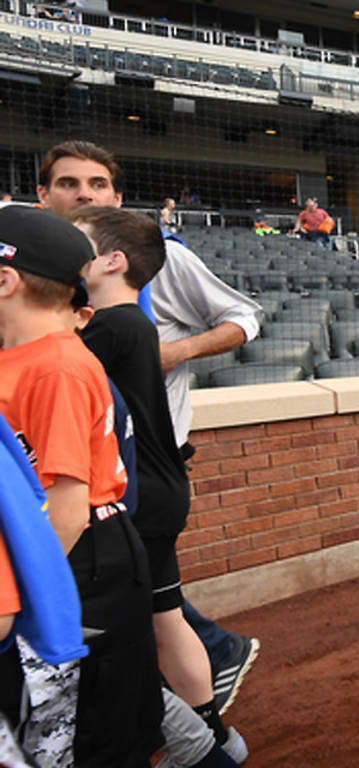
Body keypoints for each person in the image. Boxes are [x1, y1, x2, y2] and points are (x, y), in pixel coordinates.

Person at [33, 139, 262, 715]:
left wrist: (174, 351)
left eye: (98, 186)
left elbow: (244, 318)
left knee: (117, 615)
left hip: (130, 480)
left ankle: (173, 724)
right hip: (110, 478)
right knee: (153, 604)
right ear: (43, 196)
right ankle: (202, 715)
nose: (84, 194)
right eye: (68, 184)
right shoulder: (51, 282)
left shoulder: (125, 304)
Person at [70, 205, 247, 760]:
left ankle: (197, 746)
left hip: (138, 494)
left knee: (129, 638)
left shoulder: (109, 326)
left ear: (112, 261)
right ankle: (214, 735)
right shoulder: (134, 323)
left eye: (80, 245)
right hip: (162, 484)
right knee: (166, 618)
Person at [0, 206, 165, 767]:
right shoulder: (27, 358)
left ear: (5, 280)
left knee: (95, 735)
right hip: (64, 551)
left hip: (81, 554)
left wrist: (19, 603)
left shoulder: (57, 366)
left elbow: (67, 507)